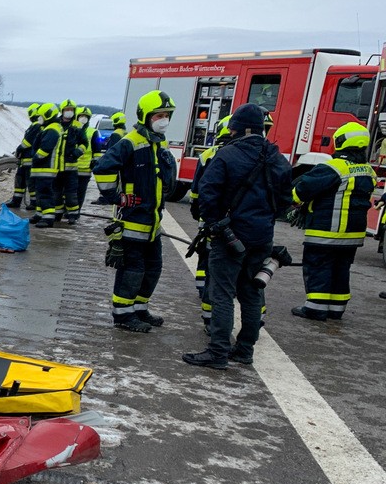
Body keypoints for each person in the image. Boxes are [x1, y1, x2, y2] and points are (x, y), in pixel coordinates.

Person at [183, 103, 293, 369]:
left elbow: (207, 195)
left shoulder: (227, 155)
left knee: (221, 293)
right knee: (252, 293)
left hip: (230, 237)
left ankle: (218, 352)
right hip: (261, 237)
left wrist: (215, 224)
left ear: (239, 128)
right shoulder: (278, 158)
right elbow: (285, 202)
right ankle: (244, 350)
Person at [92, 90, 177, 332]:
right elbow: (103, 168)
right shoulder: (129, 143)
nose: (164, 119)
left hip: (152, 222)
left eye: (167, 115)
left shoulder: (159, 143)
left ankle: (139, 309)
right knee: (132, 270)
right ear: (146, 116)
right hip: (132, 222)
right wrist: (117, 197)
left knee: (153, 268)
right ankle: (123, 316)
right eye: (160, 115)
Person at [286, 121, 375, 321]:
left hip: (326, 231)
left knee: (318, 267)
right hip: (353, 235)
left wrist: (291, 200)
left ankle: (315, 309)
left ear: (341, 141)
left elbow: (303, 190)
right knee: (341, 269)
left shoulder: (333, 167)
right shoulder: (368, 170)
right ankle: (336, 309)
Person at [187, 114, 234, 334]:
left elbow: (198, 189)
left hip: (210, 219)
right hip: (235, 221)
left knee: (206, 256)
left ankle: (202, 291)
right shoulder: (247, 155)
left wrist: (198, 212)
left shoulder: (209, 154)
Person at [28, 102, 67, 227]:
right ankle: (40, 213)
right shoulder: (50, 128)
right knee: (40, 192)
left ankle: (48, 218)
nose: (39, 119)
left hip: (46, 168)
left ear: (48, 115)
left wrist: (35, 157)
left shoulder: (52, 130)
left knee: (45, 192)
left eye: (41, 116)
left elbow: (45, 149)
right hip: (43, 168)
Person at [9, 103, 43, 208]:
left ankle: (34, 202)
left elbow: (27, 142)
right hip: (25, 160)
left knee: (30, 182)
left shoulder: (37, 126)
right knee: (20, 180)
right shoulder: (34, 126)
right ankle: (16, 200)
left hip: (30, 159)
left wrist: (19, 148)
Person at [73, 106, 102, 221]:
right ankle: (68, 210)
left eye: (86, 117)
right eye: (81, 116)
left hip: (85, 169)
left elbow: (97, 150)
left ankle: (76, 212)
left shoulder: (93, 132)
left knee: (80, 192)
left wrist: (95, 163)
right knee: (68, 192)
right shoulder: (72, 130)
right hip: (70, 167)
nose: (83, 118)